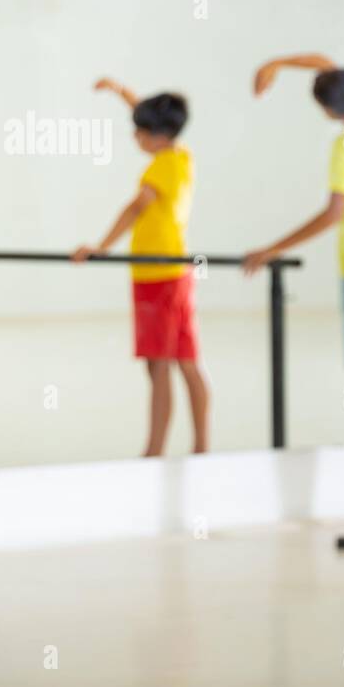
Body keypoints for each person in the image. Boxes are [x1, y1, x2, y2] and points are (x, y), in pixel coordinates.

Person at [245, 56, 344, 440]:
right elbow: (333, 67)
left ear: (330, 109)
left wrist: (272, 247)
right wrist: (278, 64)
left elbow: (334, 212)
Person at [73, 79, 209, 456]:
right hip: (174, 273)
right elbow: (156, 119)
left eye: (138, 131)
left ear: (154, 135)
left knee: (160, 366)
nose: (134, 137)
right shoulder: (180, 155)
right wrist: (122, 93)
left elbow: (135, 208)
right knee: (184, 362)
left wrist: (100, 247)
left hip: (158, 275)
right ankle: (200, 446)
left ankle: (154, 450)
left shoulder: (161, 167)